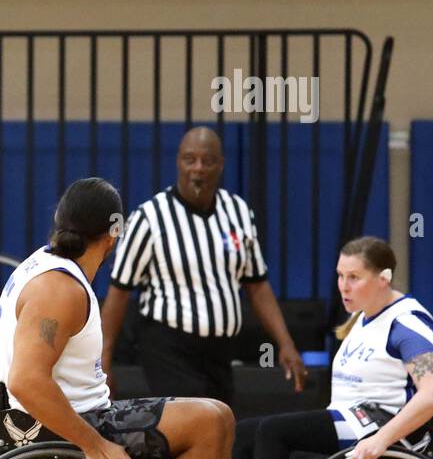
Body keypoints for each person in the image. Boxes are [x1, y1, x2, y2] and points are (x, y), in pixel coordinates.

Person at [0, 177, 248, 459]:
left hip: (53, 418)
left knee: (214, 415)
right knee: (210, 422)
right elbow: (26, 381)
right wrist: (96, 447)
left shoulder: (48, 268)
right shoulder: (60, 289)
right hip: (44, 429)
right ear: (115, 233)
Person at [229, 236, 433, 459]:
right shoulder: (360, 318)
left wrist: (381, 439)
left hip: (386, 427)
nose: (343, 286)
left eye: (354, 277)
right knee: (242, 432)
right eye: (339, 276)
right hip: (352, 418)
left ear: (383, 278)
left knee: (275, 431)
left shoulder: (407, 323)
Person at [101, 126, 306, 406]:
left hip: (220, 350)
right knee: (200, 423)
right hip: (168, 346)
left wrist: (285, 343)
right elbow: (119, 291)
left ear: (220, 165)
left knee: (219, 428)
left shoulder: (239, 212)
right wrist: (104, 361)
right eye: (190, 159)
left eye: (207, 161)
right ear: (178, 162)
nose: (198, 168)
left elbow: (257, 285)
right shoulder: (150, 217)